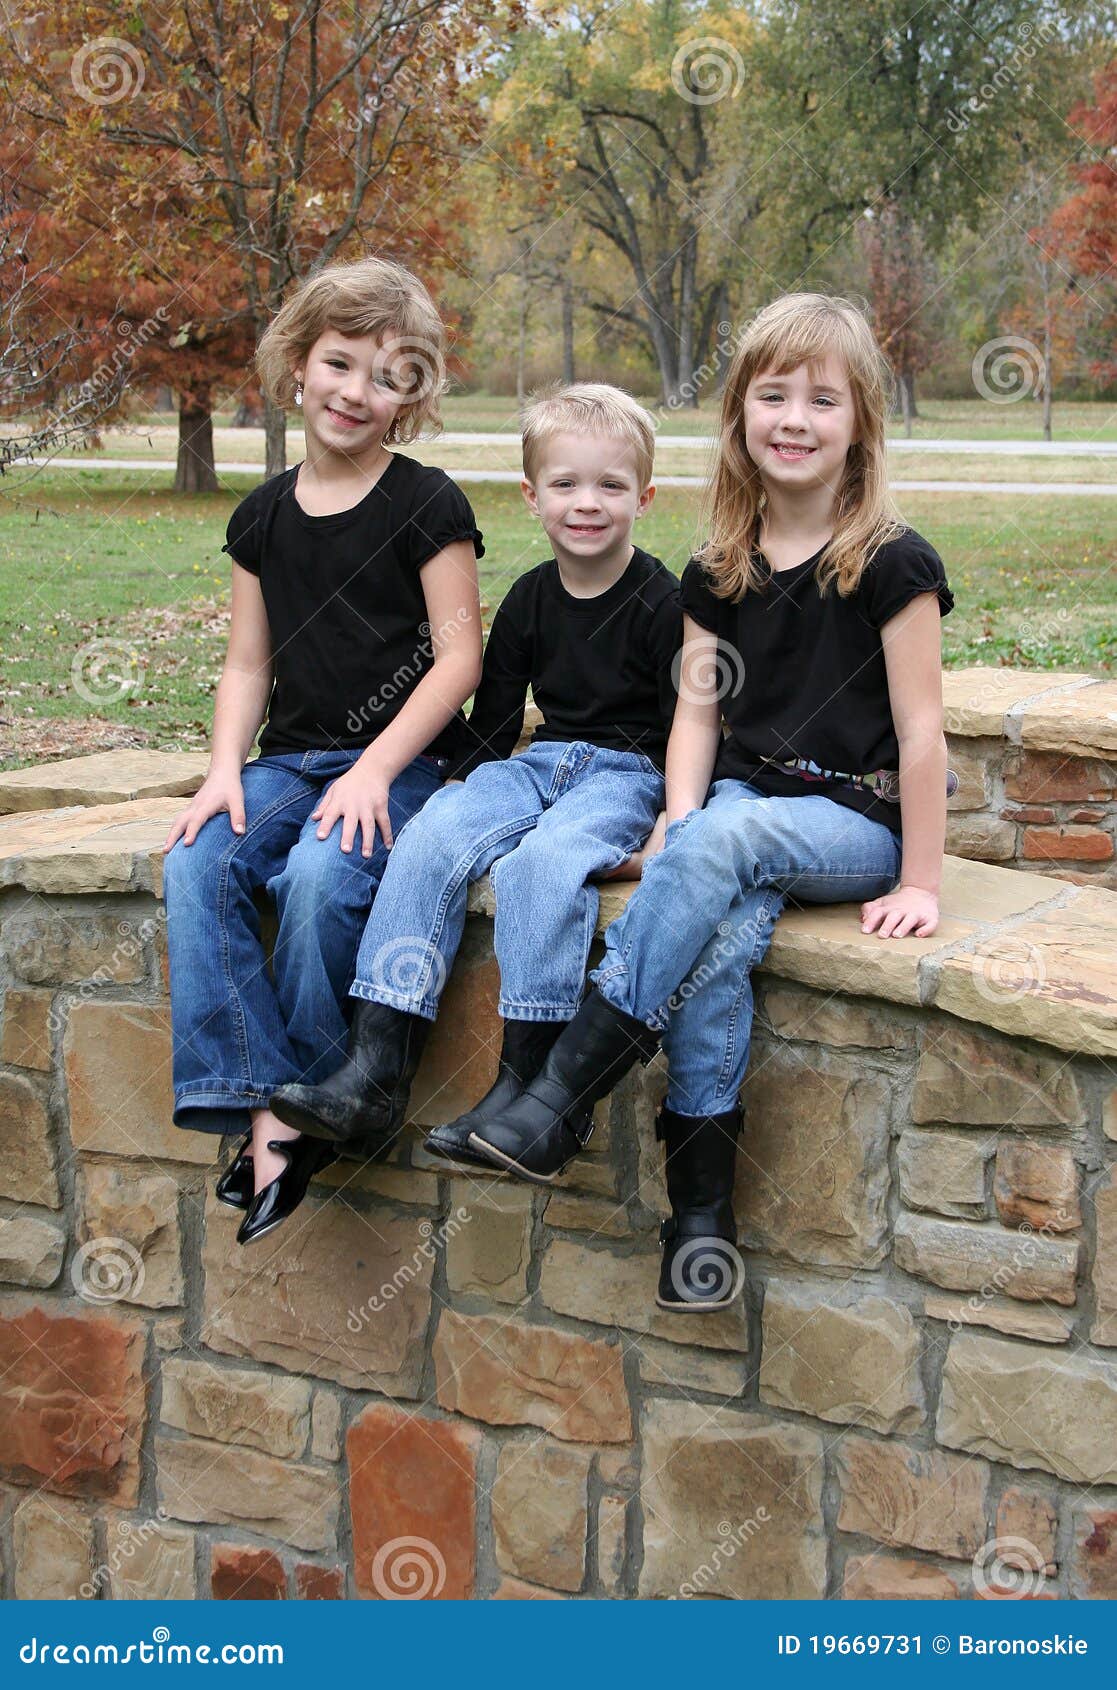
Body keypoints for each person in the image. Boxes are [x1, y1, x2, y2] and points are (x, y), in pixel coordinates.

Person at [465, 293, 954, 1315]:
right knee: (720, 944)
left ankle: (563, 1089)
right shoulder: (718, 570)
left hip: (853, 823)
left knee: (725, 831)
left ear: (860, 418)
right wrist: (674, 818)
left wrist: (919, 876)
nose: (793, 417)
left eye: (822, 399)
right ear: (737, 416)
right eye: (770, 394)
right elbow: (693, 719)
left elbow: (919, 735)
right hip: (739, 818)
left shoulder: (892, 562)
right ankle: (701, 1218)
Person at [268, 383, 680, 1169]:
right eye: (564, 484)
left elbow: (686, 727)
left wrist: (668, 823)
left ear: (645, 496)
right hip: (535, 763)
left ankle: (528, 1087)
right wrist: (467, 794)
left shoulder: (663, 602)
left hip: (626, 774)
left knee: (544, 863)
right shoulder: (529, 598)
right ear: (532, 496)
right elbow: (493, 721)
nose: (585, 504)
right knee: (430, 836)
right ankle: (375, 1067)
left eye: (609, 486)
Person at [162, 256, 484, 1246]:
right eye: (339, 363)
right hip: (290, 760)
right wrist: (224, 767)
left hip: (404, 765)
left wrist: (377, 767)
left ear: (413, 395)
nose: (356, 392)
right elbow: (247, 662)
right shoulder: (260, 517)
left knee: (317, 878)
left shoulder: (426, 503)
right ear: (297, 364)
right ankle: (266, 1097)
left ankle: (298, 1110)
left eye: (388, 376)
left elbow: (460, 657)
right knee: (197, 862)